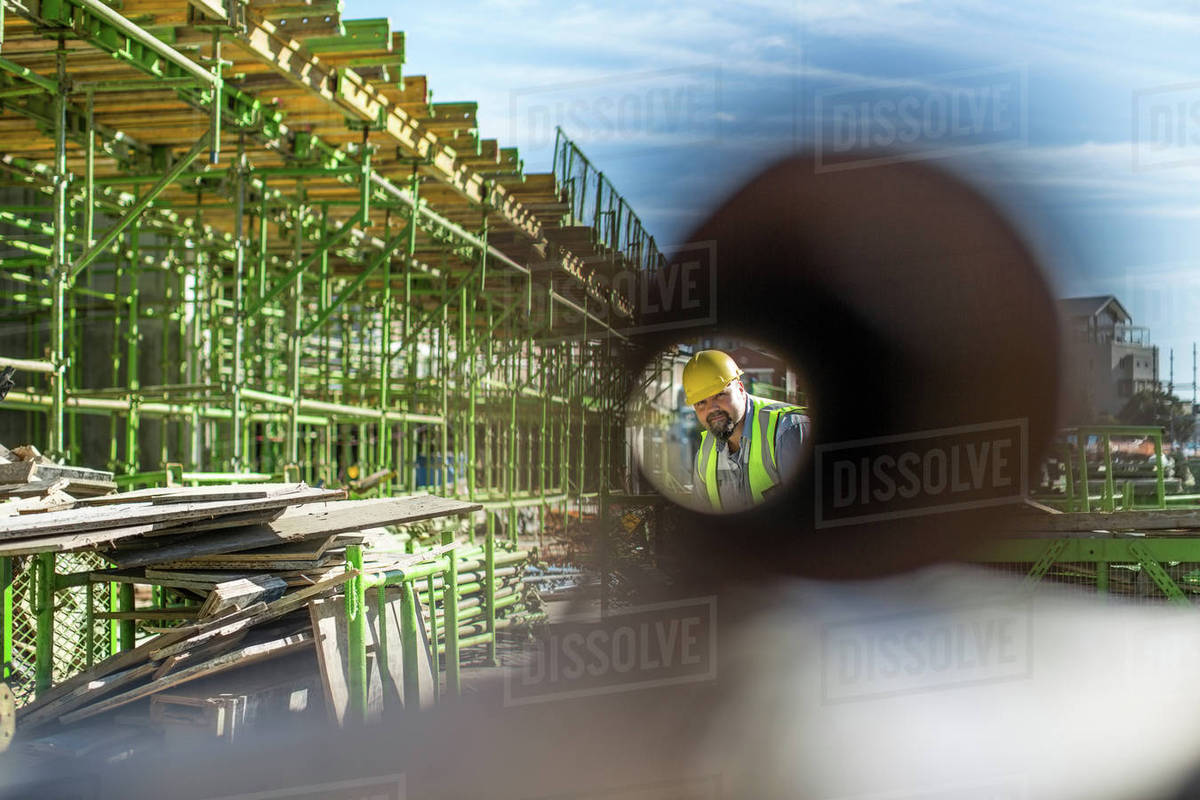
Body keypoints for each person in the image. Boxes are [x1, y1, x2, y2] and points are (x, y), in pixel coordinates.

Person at [685, 349, 809, 512]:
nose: (711, 409)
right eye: (701, 403)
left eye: (720, 395)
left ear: (741, 389)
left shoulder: (786, 430)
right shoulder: (705, 452)